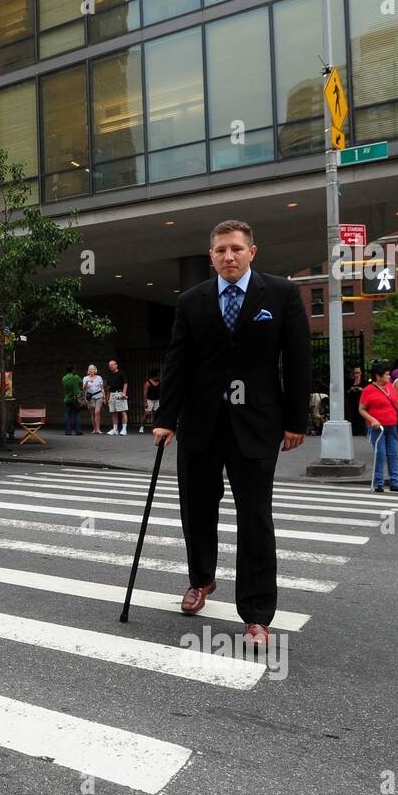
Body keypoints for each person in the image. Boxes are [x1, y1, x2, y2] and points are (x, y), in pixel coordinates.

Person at [153, 219, 311, 650]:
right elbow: (177, 362)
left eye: (237, 249)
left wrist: (297, 420)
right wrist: (165, 418)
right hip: (200, 424)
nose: (229, 256)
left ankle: (257, 613)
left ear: (252, 252)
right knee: (197, 509)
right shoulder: (192, 301)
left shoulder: (280, 294)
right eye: (221, 250)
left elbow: (297, 360)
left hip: (257, 425)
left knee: (255, 517)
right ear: (211, 256)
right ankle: (201, 580)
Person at [359, 362, 398, 493]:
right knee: (380, 454)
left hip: (392, 425)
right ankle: (379, 483)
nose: (389, 377)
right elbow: (361, 409)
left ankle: (395, 483)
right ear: (378, 376)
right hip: (377, 427)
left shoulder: (390, 387)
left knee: (393, 454)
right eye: (387, 374)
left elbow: (397, 404)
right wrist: (372, 419)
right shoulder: (368, 390)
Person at [103, 359, 129, 435]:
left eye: (112, 365)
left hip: (120, 393)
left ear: (116, 365)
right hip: (112, 394)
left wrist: (124, 393)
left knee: (123, 411)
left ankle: (124, 429)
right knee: (113, 412)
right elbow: (107, 387)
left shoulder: (121, 373)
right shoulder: (109, 374)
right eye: (109, 365)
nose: (110, 366)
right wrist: (107, 397)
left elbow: (125, 383)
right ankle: (115, 429)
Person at [81, 364, 105, 434]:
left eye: (93, 369)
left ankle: (98, 429)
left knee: (97, 411)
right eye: (90, 369)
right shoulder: (85, 378)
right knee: (93, 413)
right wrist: (87, 382)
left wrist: (104, 397)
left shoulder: (99, 377)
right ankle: (94, 429)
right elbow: (84, 388)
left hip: (99, 396)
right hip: (90, 397)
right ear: (88, 370)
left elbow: (102, 388)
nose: (91, 370)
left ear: (95, 370)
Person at [61, 365, 83, 436]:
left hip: (67, 398)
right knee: (77, 414)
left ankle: (68, 431)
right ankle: (78, 431)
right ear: (73, 370)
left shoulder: (64, 378)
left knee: (67, 415)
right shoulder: (75, 377)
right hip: (75, 399)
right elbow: (81, 383)